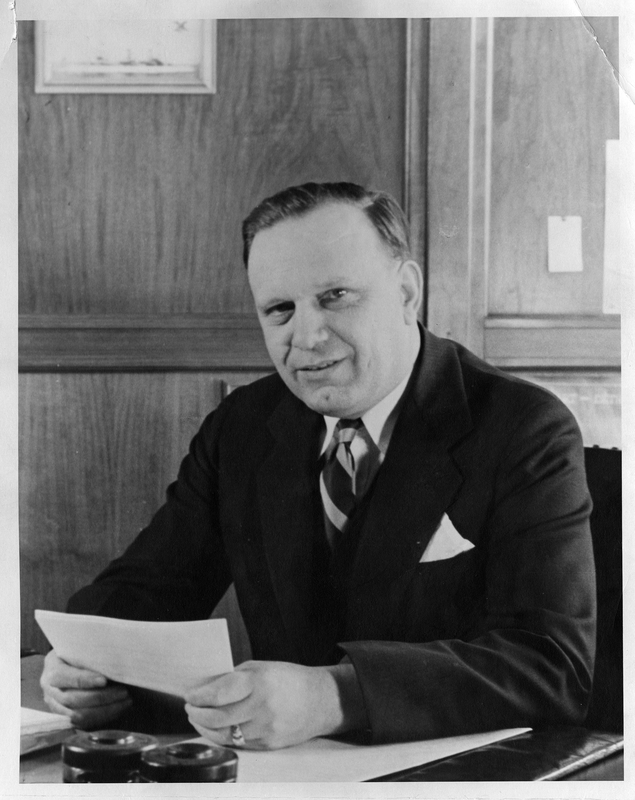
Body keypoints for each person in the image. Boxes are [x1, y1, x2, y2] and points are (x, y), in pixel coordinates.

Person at [40, 182, 596, 750]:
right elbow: (146, 591)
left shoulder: (524, 427)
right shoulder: (242, 427)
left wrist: (335, 697)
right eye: (280, 309)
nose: (306, 337)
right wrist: (84, 666)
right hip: (285, 773)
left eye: (335, 296)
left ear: (407, 293)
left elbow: (551, 666)